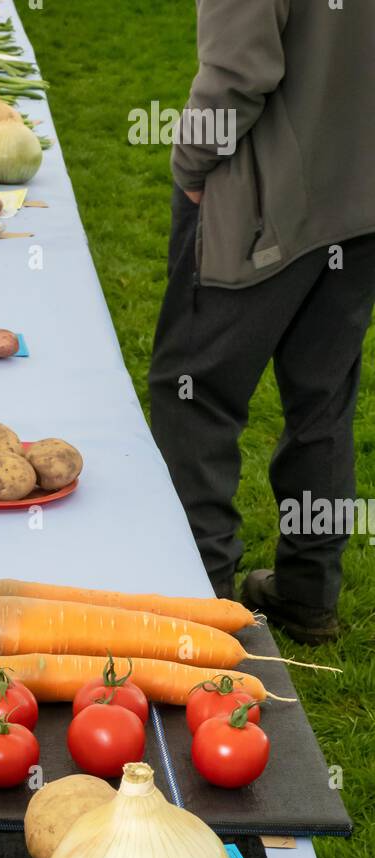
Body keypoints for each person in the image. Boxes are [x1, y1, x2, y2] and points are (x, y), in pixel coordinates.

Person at [149, 0, 375, 644]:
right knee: (323, 400)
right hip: (358, 202)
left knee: (193, 394)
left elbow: (236, 75)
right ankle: (308, 593)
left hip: (264, 202)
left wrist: (191, 168)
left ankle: (199, 599)